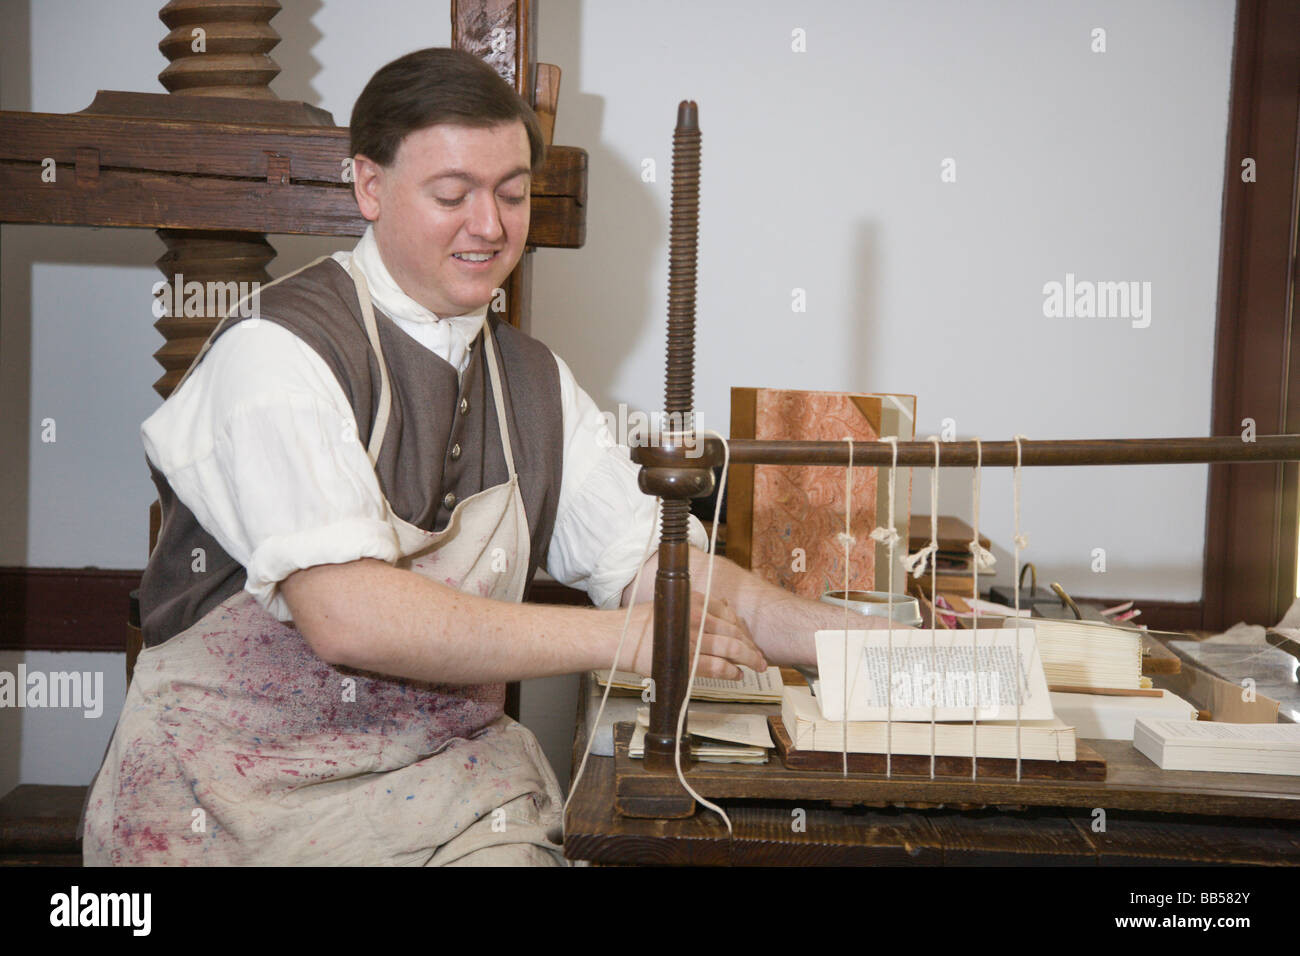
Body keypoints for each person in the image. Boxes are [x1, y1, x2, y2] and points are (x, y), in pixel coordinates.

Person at [82, 47, 842, 866]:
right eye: (453, 195)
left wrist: (873, 646)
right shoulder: (279, 351)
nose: (490, 225)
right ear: (369, 186)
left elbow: (664, 573)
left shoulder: (533, 382)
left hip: (440, 791)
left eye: (512, 194)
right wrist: (626, 639)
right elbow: (349, 616)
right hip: (228, 804)